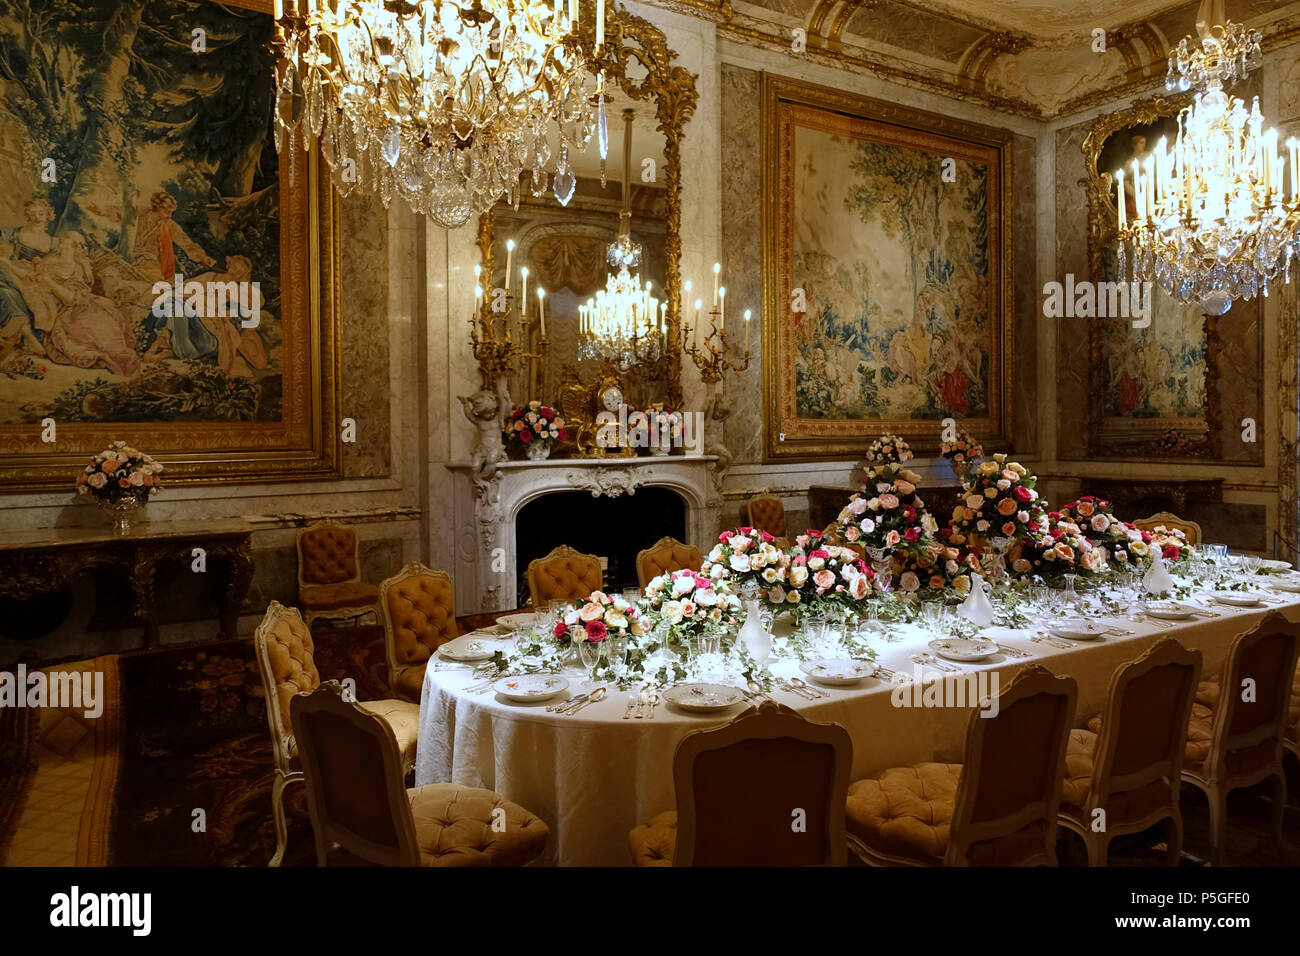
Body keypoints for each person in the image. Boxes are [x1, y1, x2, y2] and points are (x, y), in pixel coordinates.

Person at [37, 231, 140, 377]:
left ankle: (121, 359)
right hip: (57, 309)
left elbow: (71, 299)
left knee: (101, 329)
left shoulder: (76, 267)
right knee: (89, 335)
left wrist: (48, 281)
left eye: (65, 239)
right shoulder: (48, 260)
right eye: (61, 238)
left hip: (76, 308)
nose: (60, 240)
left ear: (74, 246)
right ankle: (112, 358)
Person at [132, 190, 215, 281]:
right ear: (159, 208)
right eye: (167, 212)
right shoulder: (140, 213)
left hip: (153, 261)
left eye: (171, 212)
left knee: (173, 282)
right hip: (137, 258)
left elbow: (187, 243)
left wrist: (203, 257)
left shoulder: (170, 225)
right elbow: (119, 212)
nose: (170, 216)